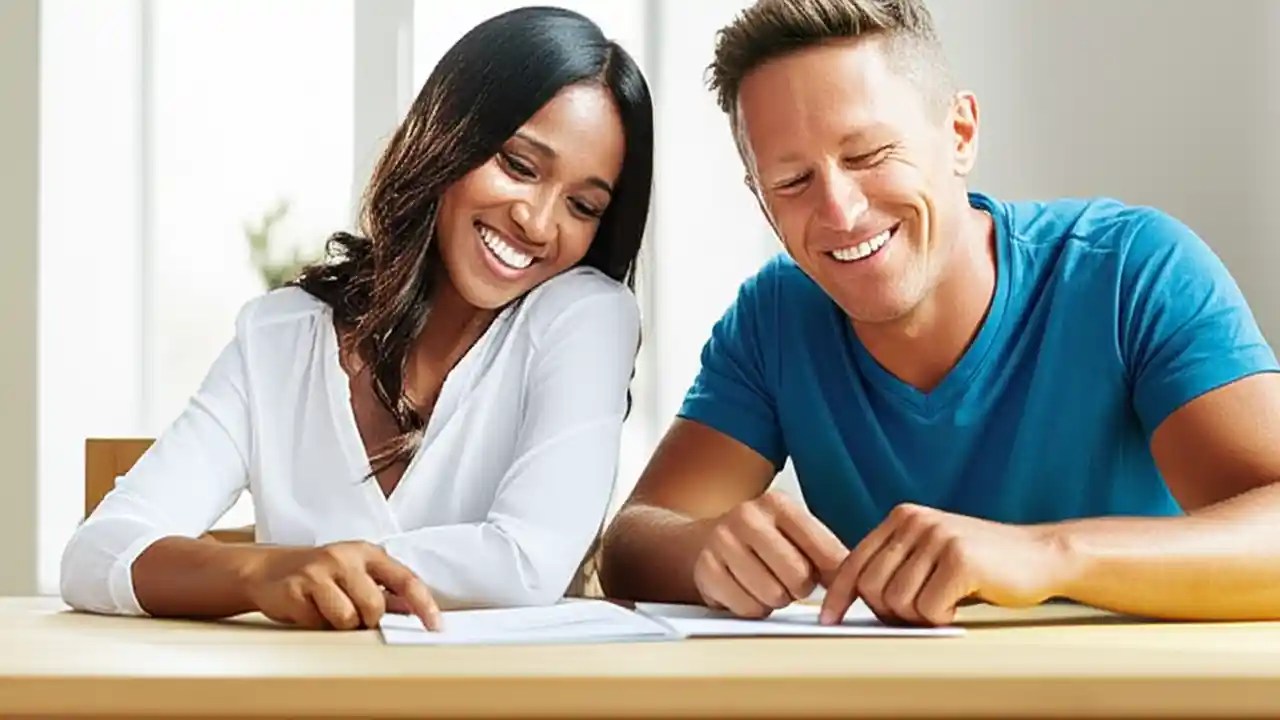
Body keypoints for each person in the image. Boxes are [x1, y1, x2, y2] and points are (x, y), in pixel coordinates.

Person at [601, 0, 1280, 627]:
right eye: (793, 181)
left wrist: (1046, 556)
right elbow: (633, 543)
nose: (839, 211)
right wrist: (706, 551)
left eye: (870, 155)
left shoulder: (1132, 269)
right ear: (761, 201)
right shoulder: (775, 316)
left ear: (959, 134)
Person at [61, 6, 653, 632]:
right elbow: (96, 553)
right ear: (448, 135)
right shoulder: (280, 335)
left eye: (582, 205)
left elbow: (526, 563)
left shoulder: (584, 318)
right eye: (518, 166)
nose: (537, 222)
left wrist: (302, 564)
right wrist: (263, 574)